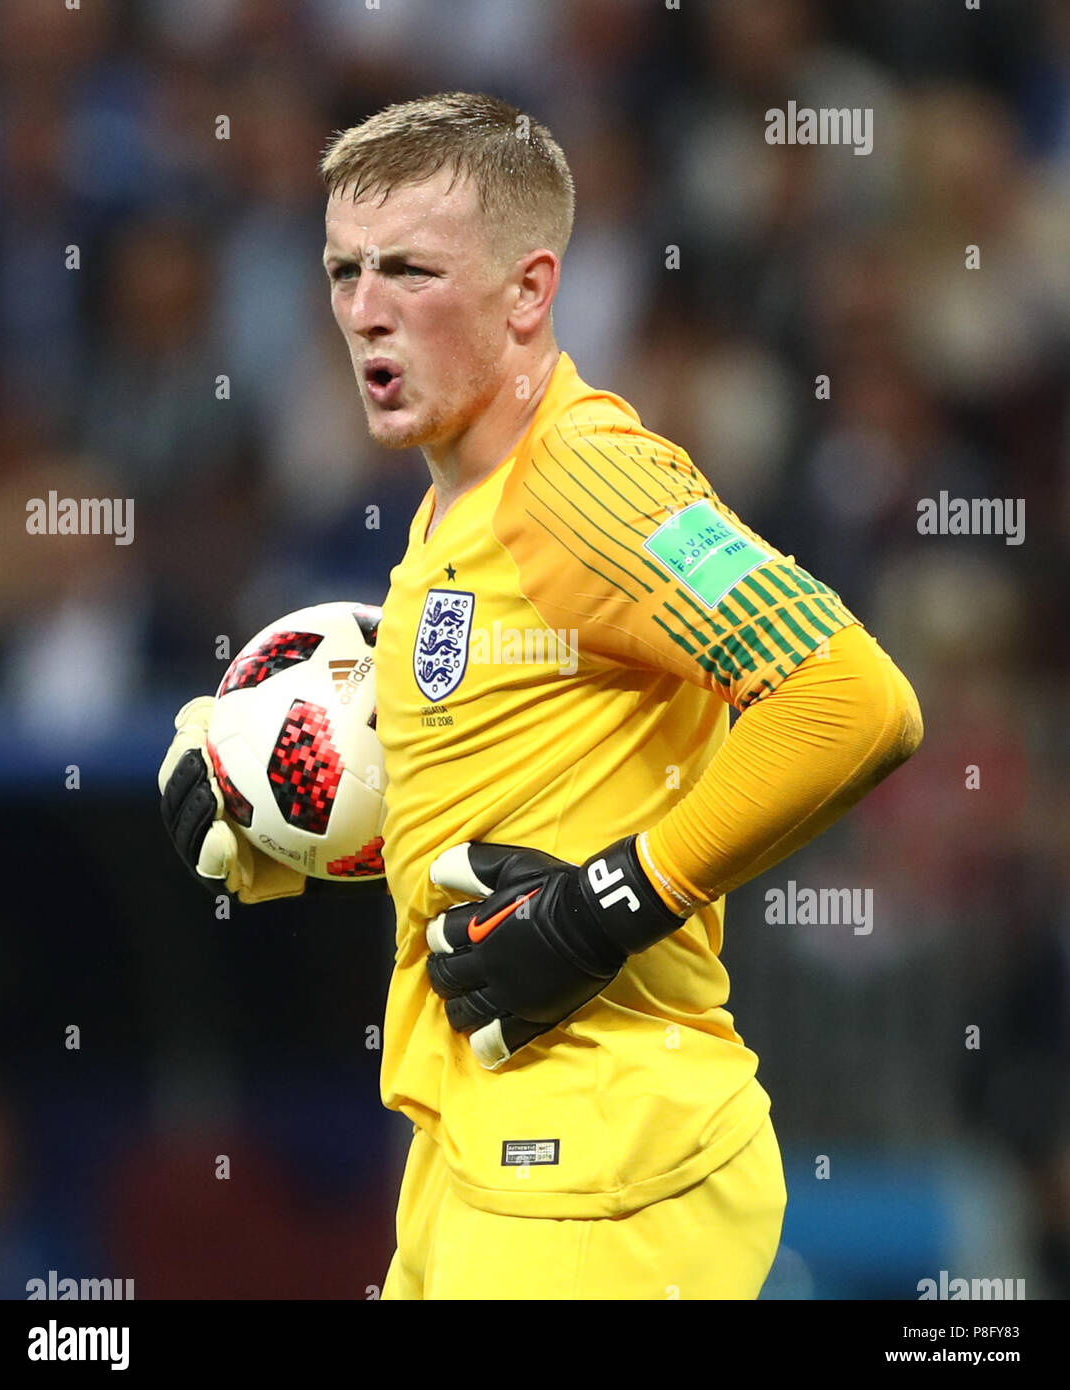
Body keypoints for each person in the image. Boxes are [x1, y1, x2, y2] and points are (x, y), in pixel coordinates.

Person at [159, 91, 923, 1300]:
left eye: (410, 269)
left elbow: (850, 697)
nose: (364, 309)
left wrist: (604, 907)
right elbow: (499, 779)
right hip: (480, 1146)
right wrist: (269, 804)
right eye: (343, 269)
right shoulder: (451, 510)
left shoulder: (587, 481)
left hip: (603, 1152)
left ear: (528, 290)